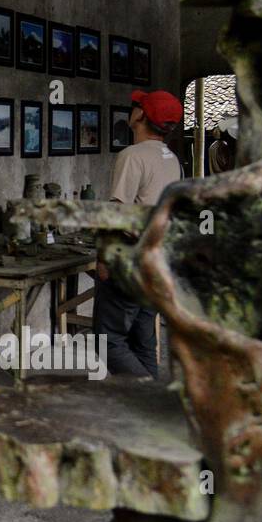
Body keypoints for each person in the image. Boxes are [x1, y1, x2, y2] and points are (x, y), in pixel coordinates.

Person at [93, 89, 184, 378]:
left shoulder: (132, 155)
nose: (131, 109)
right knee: (143, 340)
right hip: (157, 257)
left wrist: (104, 259)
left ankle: (144, 392)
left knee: (107, 342)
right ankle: (150, 404)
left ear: (141, 115)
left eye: (135, 106)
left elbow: (118, 213)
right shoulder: (171, 157)